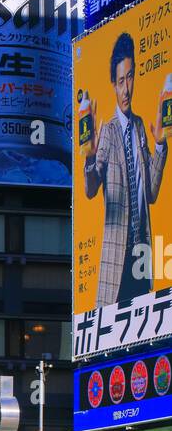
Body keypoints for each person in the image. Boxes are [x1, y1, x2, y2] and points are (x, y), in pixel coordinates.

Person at [82, 29, 168, 307]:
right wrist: (89, 158)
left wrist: (161, 147)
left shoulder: (142, 126)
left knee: (145, 341)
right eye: (121, 81)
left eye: (130, 77)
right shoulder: (108, 131)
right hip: (116, 259)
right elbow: (91, 188)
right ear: (113, 84)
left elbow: (152, 194)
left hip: (142, 253)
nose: (126, 88)